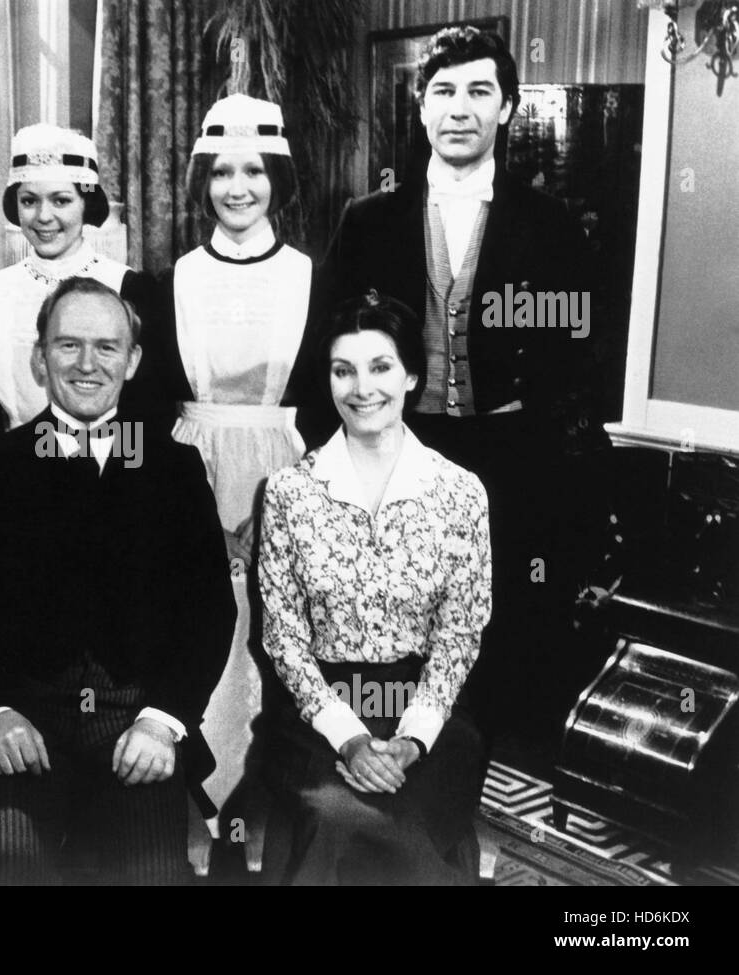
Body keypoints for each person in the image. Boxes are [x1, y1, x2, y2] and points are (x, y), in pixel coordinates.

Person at [305, 26, 599, 741]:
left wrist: (542, 429)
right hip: (400, 444)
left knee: (500, 611)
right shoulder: (369, 220)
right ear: (420, 104)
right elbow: (327, 347)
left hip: (509, 448)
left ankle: (479, 759)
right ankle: (392, 749)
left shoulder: (548, 222)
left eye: (479, 91)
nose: (459, 108)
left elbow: (579, 346)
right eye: (443, 92)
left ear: (506, 108)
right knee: (396, 609)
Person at [0, 277, 235, 885]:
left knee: (149, 876)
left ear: (133, 360)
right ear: (39, 359)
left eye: (106, 346)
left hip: (134, 721)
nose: (87, 364)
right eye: (68, 345)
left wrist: (164, 720)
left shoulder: (174, 467)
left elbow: (208, 611)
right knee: (6, 870)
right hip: (24, 720)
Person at [257, 292, 491, 885]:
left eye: (381, 366)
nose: (362, 388)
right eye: (343, 370)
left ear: (413, 374)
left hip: (427, 705)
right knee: (338, 813)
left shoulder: (461, 493)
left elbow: (460, 633)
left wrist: (412, 739)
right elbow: (282, 637)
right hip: (319, 708)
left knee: (410, 815)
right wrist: (350, 737)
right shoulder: (289, 492)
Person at [145, 94, 313, 862]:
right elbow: (149, 404)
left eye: (253, 170)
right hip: (191, 473)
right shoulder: (169, 277)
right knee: (191, 623)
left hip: (283, 467)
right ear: (201, 180)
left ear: (277, 177)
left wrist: (278, 502)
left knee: (271, 641)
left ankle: (260, 821)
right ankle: (186, 817)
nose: (237, 187)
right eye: (221, 171)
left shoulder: (314, 275)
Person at [0, 123, 149, 440]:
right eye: (29, 201)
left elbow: (145, 412)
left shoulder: (130, 288)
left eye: (61, 201)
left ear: (86, 204)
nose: (43, 217)